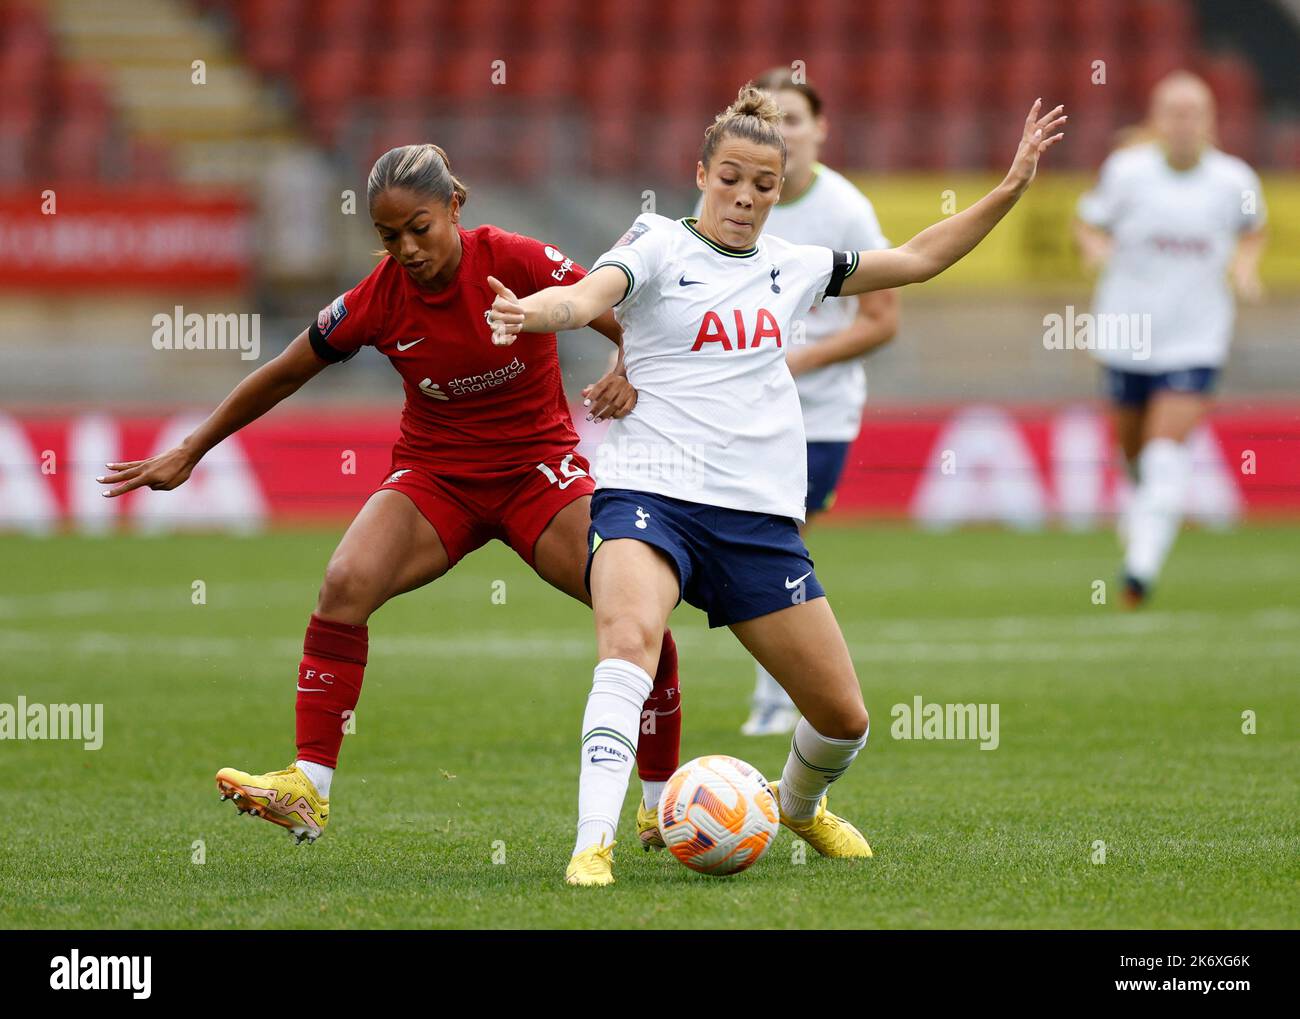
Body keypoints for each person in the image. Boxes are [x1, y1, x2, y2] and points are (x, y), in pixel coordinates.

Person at [487, 86, 1066, 885]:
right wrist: (534, 314)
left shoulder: (794, 267)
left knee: (843, 719)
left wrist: (1008, 189)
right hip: (647, 495)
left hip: (755, 519)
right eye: (730, 178)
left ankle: (797, 806)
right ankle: (594, 842)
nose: (745, 197)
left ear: (780, 188)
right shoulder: (657, 241)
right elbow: (588, 296)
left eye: (763, 184)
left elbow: (921, 258)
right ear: (701, 171)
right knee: (628, 644)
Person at [97, 143, 684, 845]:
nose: (405, 248)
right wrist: (192, 448)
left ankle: (656, 805)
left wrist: (625, 364)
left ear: (455, 209)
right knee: (344, 582)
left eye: (419, 228)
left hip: (538, 473)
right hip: (437, 478)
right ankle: (308, 787)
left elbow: (625, 318)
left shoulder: (519, 258)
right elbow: (286, 372)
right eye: (388, 235)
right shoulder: (376, 299)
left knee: (632, 606)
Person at [736, 67, 900, 737]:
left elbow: (882, 320)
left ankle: (780, 694)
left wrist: (798, 358)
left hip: (819, 413)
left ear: (821, 129)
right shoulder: (741, 202)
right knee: (750, 544)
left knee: (777, 542)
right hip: (742, 407)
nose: (783, 132)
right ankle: (781, 685)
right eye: (769, 120)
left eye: (794, 119)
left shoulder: (846, 210)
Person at [1074, 71, 1267, 607]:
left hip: (1195, 339)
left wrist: (1246, 266)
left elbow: (1254, 228)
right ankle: (1144, 514)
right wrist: (1093, 249)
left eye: (1194, 113)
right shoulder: (1126, 172)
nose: (1184, 123)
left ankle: (1140, 569)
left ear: (1210, 120)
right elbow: (1088, 221)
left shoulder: (1234, 181)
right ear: (1156, 120)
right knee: (1135, 455)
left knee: (1163, 451)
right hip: (1125, 332)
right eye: (1174, 112)